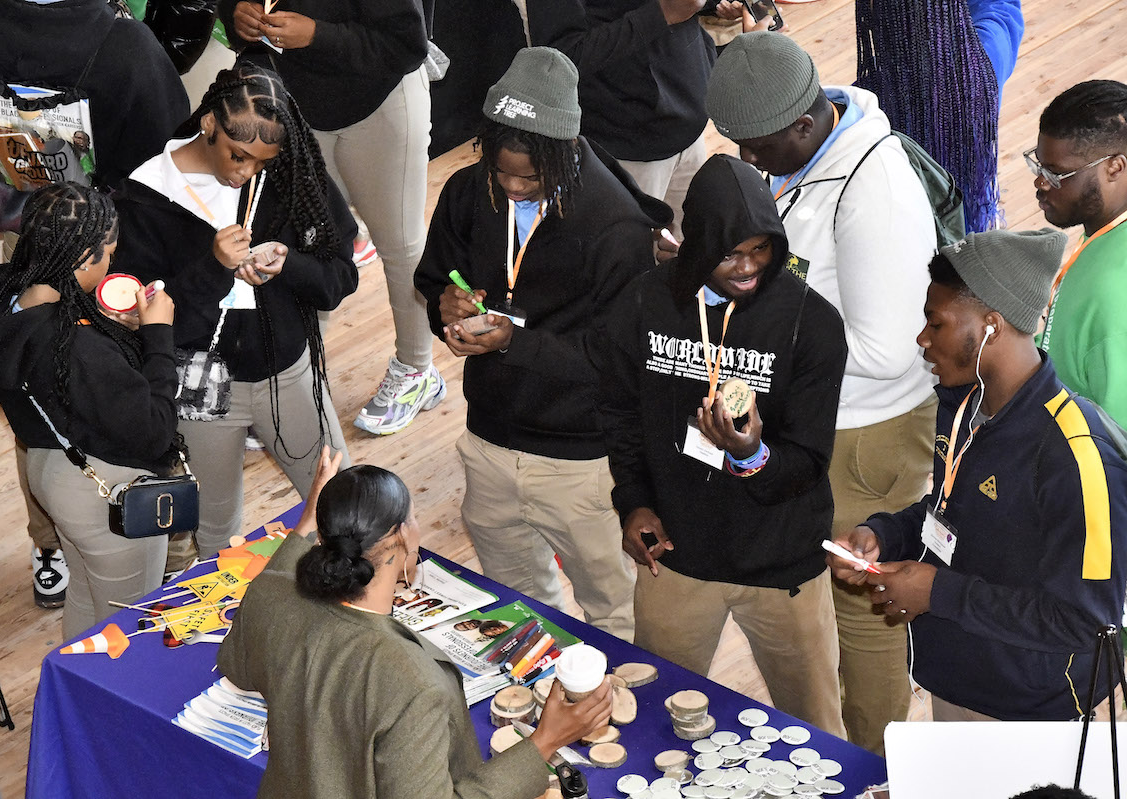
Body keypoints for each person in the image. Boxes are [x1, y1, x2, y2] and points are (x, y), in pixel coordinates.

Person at [706, 31, 939, 754]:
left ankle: (879, 767)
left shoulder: (875, 193)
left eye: (759, 149)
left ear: (805, 124)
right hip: (815, 422)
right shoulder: (803, 156)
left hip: (867, 438)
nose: (750, 162)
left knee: (866, 621)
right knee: (821, 604)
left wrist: (760, 353)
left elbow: (887, 350)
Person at [414, 47, 670, 640]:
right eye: (500, 171)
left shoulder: (615, 226)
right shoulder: (469, 189)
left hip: (581, 460)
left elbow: (619, 358)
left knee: (616, 612)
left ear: (565, 151)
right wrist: (444, 309)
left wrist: (514, 342)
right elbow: (432, 277)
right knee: (516, 610)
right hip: (489, 441)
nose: (511, 187)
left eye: (529, 178)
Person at [827, 229, 1127, 722]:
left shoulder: (1076, 456)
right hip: (956, 678)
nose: (922, 339)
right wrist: (883, 535)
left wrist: (936, 592)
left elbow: (1086, 621)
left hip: (1029, 711)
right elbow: (951, 512)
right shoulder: (964, 405)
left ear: (991, 326)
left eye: (936, 323)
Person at [597, 154, 848, 735]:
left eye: (761, 249)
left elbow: (810, 461)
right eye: (731, 252)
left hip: (782, 563)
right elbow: (620, 414)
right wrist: (633, 501)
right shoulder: (643, 303)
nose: (749, 266)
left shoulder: (811, 323)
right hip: (678, 555)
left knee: (816, 729)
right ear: (699, 242)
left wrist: (751, 453)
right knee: (654, 723)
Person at [217, 448, 613, 798]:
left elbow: (238, 661)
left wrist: (306, 523)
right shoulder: (411, 682)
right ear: (405, 534)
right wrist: (544, 742)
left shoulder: (271, 598)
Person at [114, 64, 359, 560]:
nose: (247, 172)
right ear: (209, 123)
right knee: (216, 537)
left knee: (348, 507)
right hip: (202, 391)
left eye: (262, 161)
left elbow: (339, 277)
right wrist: (213, 267)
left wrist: (291, 265)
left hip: (288, 374)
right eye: (238, 155)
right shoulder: (146, 194)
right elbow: (145, 323)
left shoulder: (292, 176)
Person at [0, 182, 184, 640]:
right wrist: (158, 335)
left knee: (85, 598)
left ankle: (73, 681)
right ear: (83, 256)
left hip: (49, 469)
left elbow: (61, 353)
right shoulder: (78, 349)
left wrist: (103, 326)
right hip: (102, 488)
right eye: (108, 255)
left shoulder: (2, 288)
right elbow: (155, 430)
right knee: (128, 627)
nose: (111, 265)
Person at [219, 0, 446, 437]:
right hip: (297, 102)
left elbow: (407, 43)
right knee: (301, 246)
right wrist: (237, 15)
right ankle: (297, 380)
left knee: (399, 244)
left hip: (380, 98)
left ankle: (418, 370)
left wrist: (316, 35)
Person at [0, 0, 188, 287]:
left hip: (19, 220)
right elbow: (163, 149)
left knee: (4, 287)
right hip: (99, 238)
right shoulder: (131, 47)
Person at [525, 0, 715, 234]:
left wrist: (713, 5)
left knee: (695, 245)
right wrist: (660, 15)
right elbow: (559, 57)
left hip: (691, 126)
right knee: (633, 249)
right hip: (626, 149)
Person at [854, 0, 1024, 233]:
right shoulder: (987, 57)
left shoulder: (863, 105)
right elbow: (1000, 8)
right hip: (971, 227)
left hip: (905, 234)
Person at [1035, 80, 1127, 427]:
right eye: (1039, 166)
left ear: (1114, 167)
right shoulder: (1105, 232)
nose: (1041, 183)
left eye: (1058, 174)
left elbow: (1116, 439)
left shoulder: (1112, 296)